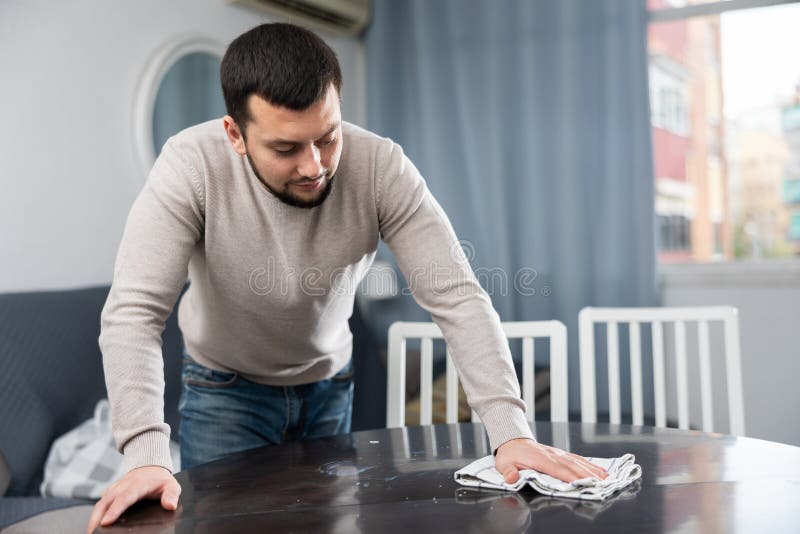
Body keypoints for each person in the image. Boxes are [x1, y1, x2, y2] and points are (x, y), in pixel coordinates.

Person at [87, 22, 606, 533]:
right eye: (286, 148)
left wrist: (510, 432)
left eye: (327, 137)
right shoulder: (189, 166)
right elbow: (134, 313)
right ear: (235, 135)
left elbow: (457, 298)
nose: (314, 166)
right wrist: (145, 455)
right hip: (224, 390)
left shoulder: (381, 167)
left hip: (329, 385)